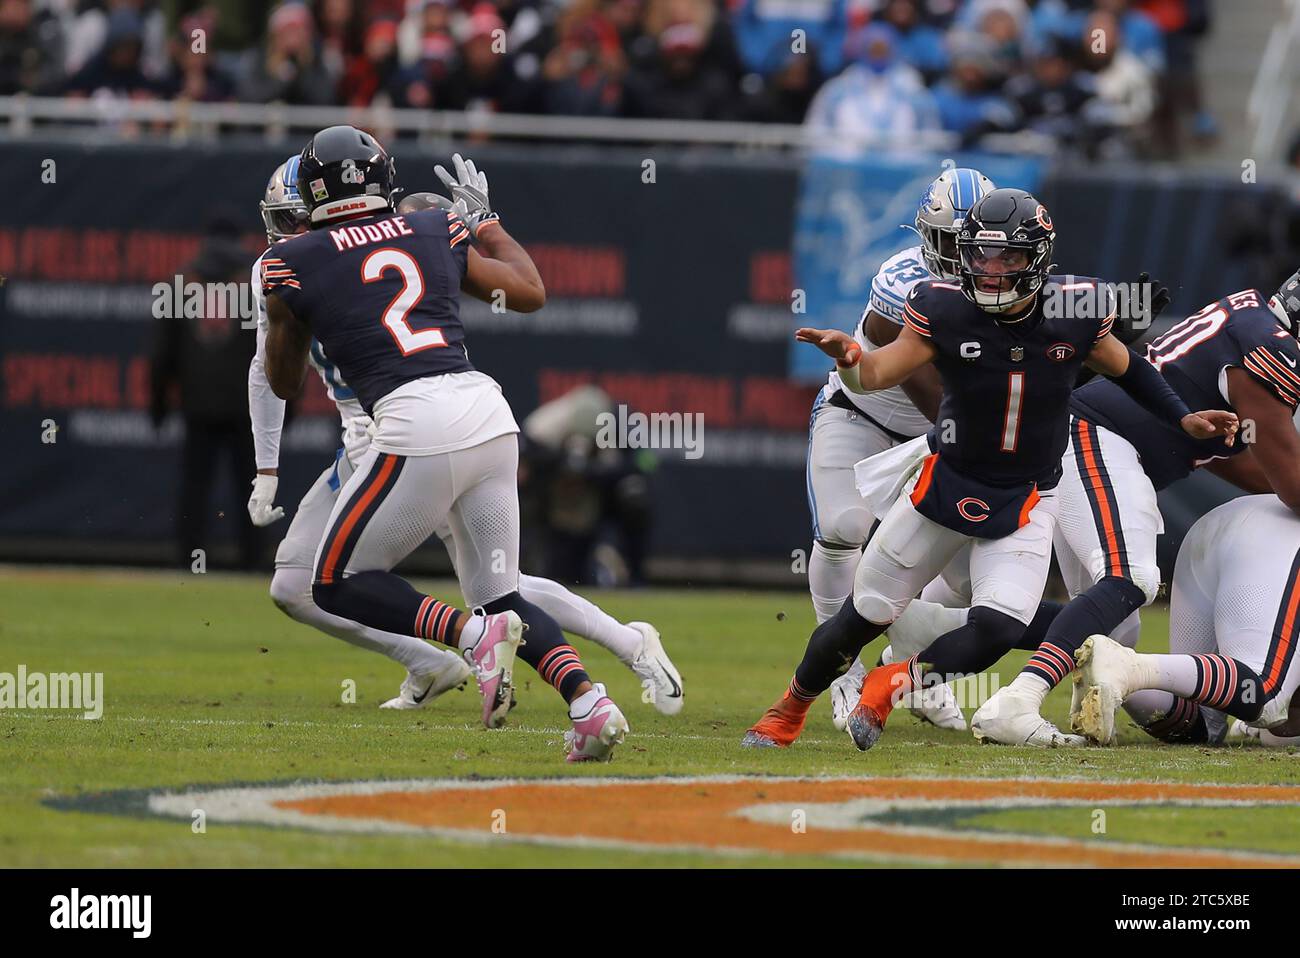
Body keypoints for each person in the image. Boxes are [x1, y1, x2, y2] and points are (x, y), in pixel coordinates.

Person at [742, 188, 1236, 752]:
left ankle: (893, 681)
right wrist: (852, 363)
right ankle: (791, 706)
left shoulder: (1076, 309)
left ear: (1039, 259)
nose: (992, 271)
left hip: (1026, 499)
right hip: (945, 488)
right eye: (980, 256)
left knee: (999, 626)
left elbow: (1131, 370)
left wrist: (1184, 417)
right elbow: (879, 373)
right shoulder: (942, 305)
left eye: (1008, 259)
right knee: (868, 612)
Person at [261, 127, 628, 761]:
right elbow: (530, 293)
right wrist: (485, 223)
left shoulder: (293, 260)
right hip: (487, 411)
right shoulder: (432, 229)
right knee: (501, 592)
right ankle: (589, 705)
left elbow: (286, 380)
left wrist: (286, 314)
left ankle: (467, 635)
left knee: (331, 581)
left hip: (413, 420)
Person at [972, 270, 1300, 745]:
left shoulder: (1247, 319)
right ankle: (1018, 700)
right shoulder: (1268, 348)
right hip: (1094, 436)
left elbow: (1256, 471)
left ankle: (937, 625)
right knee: (1133, 576)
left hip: (1088, 442)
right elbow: (1290, 487)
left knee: (1111, 634)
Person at [811, 167, 997, 734]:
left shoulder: (1011, 286)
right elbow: (927, 390)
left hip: (941, 430)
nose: (968, 256)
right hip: (868, 417)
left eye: (980, 244)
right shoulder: (903, 282)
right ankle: (843, 670)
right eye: (954, 242)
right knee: (845, 527)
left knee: (967, 569)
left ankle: (909, 672)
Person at [1076, 495, 1300, 747]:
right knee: (1266, 693)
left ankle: (1108, 674)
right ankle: (1129, 667)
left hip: (1220, 525)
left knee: (1200, 724)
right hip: (1278, 538)